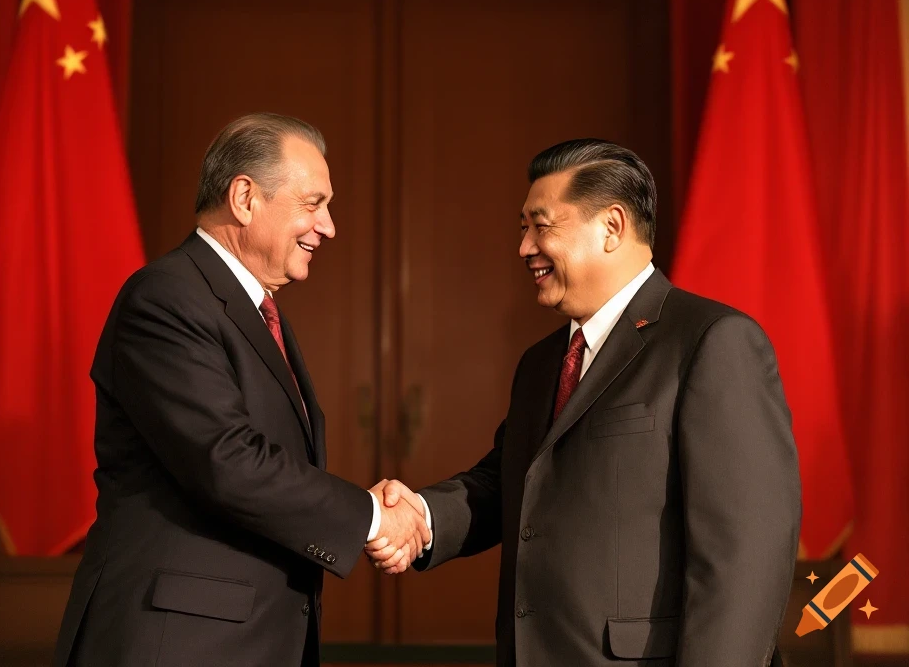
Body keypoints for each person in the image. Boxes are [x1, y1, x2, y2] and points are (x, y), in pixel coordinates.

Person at [368, 139, 800, 666]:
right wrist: (424, 515)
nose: (525, 247)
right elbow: (512, 482)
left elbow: (746, 557)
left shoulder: (713, 342)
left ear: (612, 227)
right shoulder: (541, 363)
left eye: (541, 226)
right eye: (522, 228)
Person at [53, 113, 429, 667]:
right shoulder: (166, 298)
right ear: (245, 197)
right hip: (177, 644)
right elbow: (226, 460)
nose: (327, 227)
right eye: (313, 204)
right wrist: (373, 518)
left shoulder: (251, 308)